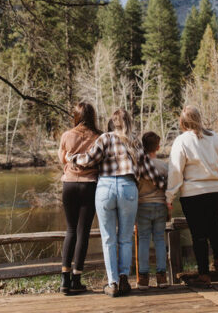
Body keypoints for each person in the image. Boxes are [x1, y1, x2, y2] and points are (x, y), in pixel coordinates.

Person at [69, 108, 166, 298]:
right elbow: (149, 172)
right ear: (129, 123)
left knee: (108, 239)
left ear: (111, 123)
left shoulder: (104, 138)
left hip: (105, 188)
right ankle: (123, 279)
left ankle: (112, 282)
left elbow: (88, 160)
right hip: (128, 188)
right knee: (125, 238)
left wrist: (72, 159)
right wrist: (165, 187)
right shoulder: (134, 141)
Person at [166, 105, 218, 287]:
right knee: (213, 225)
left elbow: (175, 170)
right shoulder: (214, 137)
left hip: (194, 194)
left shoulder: (182, 141)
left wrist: (169, 196)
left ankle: (204, 274)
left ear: (182, 121)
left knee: (199, 234)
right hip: (217, 192)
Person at [57, 102, 102, 295]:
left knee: (70, 230)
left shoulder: (67, 135)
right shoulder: (98, 137)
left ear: (76, 116)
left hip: (69, 185)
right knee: (83, 231)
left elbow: (62, 159)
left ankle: (64, 279)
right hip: (89, 185)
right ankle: (76, 278)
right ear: (92, 117)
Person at [135, 131, 169, 289]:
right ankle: (162, 277)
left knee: (143, 240)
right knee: (160, 240)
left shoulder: (139, 166)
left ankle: (143, 278)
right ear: (158, 146)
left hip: (143, 206)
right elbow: (169, 186)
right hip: (160, 205)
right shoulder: (163, 166)